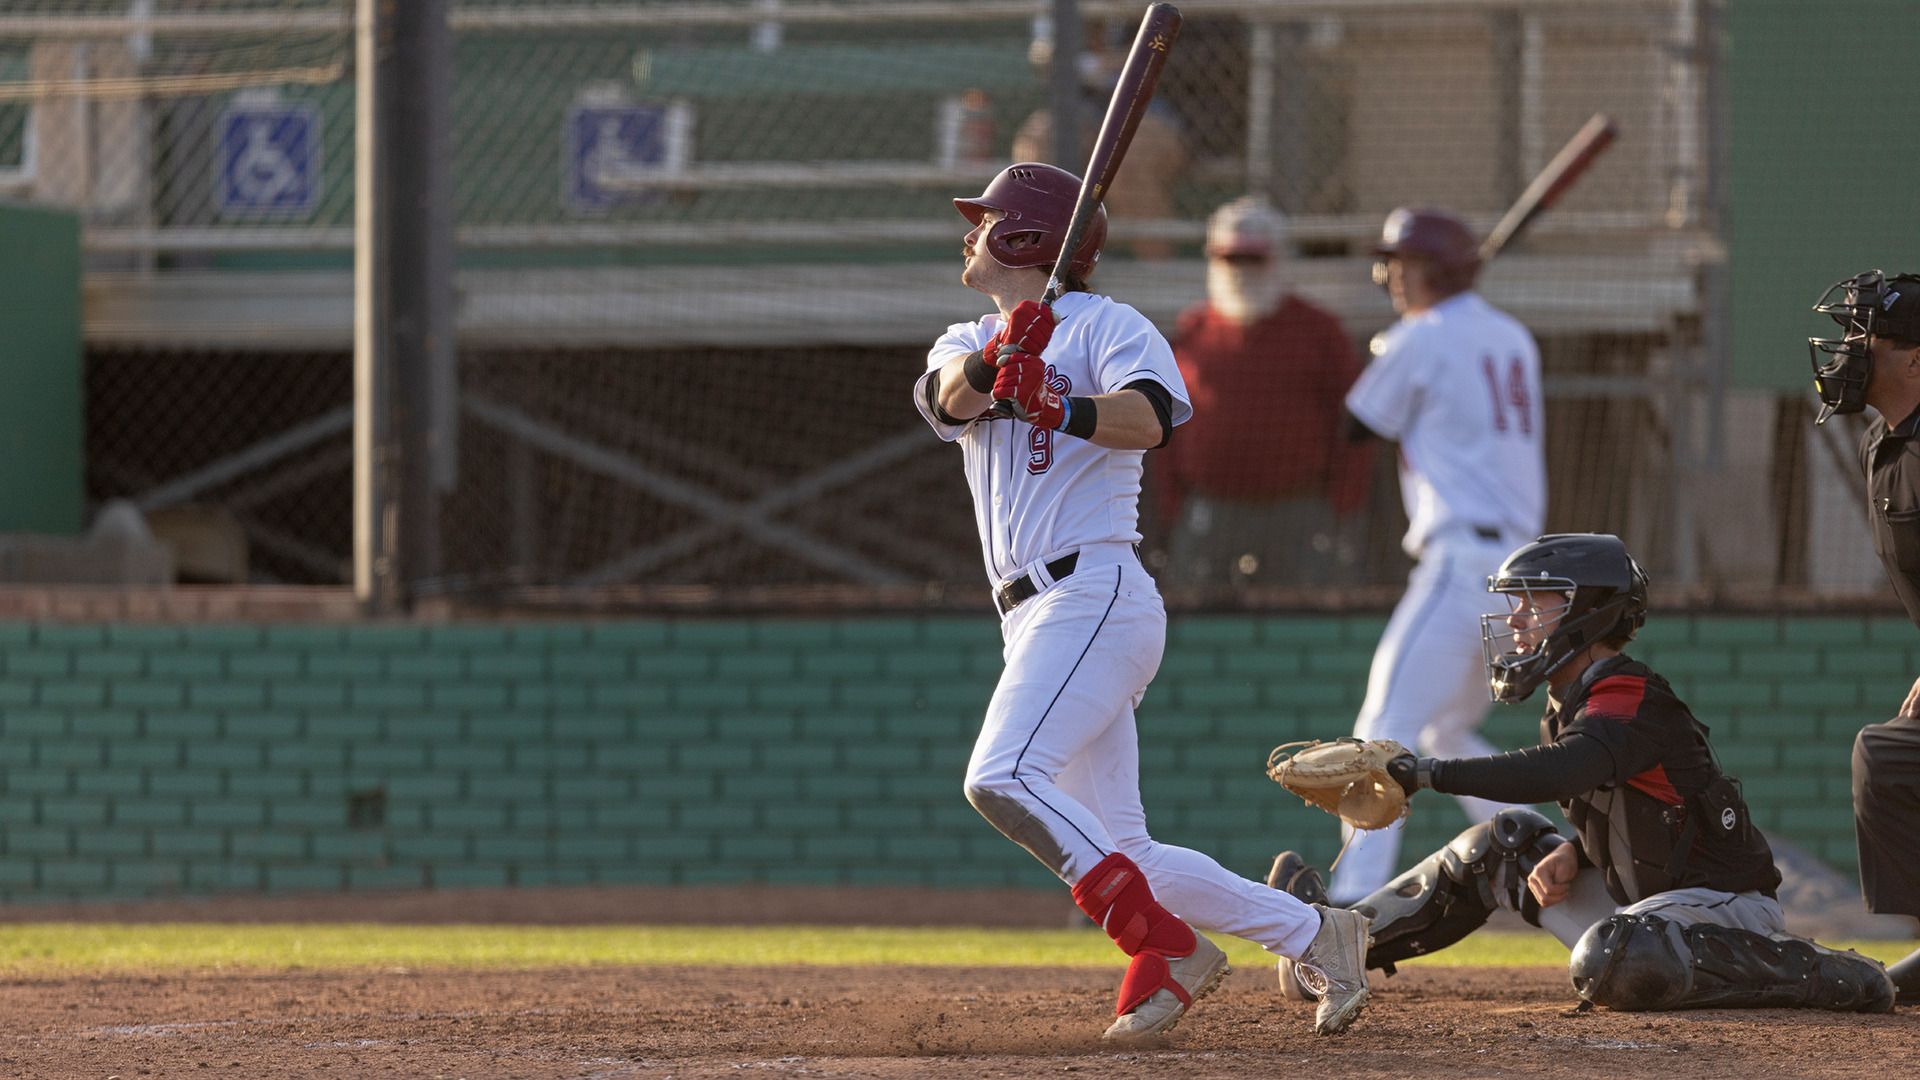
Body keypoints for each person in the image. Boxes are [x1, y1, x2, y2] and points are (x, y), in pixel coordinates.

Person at [913, 161, 1373, 1038]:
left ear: (1025, 239)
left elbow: (1155, 418)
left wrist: (1059, 405)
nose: (969, 234)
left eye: (986, 223)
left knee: (1001, 776)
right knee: (1130, 850)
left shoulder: (1108, 325)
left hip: (1094, 595)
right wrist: (1000, 356)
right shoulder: (964, 335)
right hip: (1034, 619)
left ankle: (1161, 943)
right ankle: (1320, 931)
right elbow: (943, 399)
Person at [1270, 534, 1895, 1012]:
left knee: (1615, 956)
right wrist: (1576, 851)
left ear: (1587, 611)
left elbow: (1565, 769)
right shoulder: (1571, 702)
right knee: (1506, 842)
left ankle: (1815, 970)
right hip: (1648, 907)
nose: (1515, 618)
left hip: (1725, 911)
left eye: (1534, 600)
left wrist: (1426, 773)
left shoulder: (1628, 692)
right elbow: (1629, 803)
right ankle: (1331, 950)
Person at [1327, 207, 1547, 905]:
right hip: (1522, 576)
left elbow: (1355, 427)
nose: (1390, 274)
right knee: (1442, 731)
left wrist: (1390, 352)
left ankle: (1352, 904)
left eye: (1401, 262)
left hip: (1460, 562)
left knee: (1380, 732)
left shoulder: (1420, 338)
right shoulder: (1511, 335)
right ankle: (1552, 856)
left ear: (1437, 269)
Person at [1159, 197, 1373, 588]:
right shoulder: (1192, 329)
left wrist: (1342, 505)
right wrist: (1173, 505)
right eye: (1229, 258)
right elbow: (1166, 424)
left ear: (1278, 259)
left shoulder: (1320, 332)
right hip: (1209, 512)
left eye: (1253, 258)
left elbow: (1356, 426)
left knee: (1302, 627)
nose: (1241, 270)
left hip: (1298, 513)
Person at [1807, 269, 1920, 1001]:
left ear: (1915, 358)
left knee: (1885, 755)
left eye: (1867, 337)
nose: (1849, 350)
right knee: (1892, 759)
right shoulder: (1888, 441)